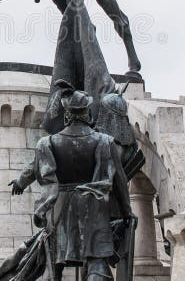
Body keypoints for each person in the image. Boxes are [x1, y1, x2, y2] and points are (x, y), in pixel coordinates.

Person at [30, 88, 133, 280]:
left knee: (53, 267)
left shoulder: (47, 143)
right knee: (96, 263)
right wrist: (127, 213)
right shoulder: (105, 141)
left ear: (67, 115)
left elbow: (40, 174)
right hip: (93, 207)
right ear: (88, 113)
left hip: (59, 207)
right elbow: (119, 181)